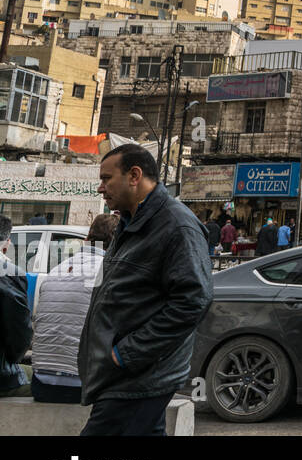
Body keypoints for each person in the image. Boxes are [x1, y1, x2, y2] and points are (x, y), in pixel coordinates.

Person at [79, 144, 213, 436]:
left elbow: (194, 301)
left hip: (139, 379)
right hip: (122, 376)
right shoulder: (130, 222)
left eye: (106, 178)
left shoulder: (177, 225)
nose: (100, 188)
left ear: (134, 175)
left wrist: (127, 352)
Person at [30, 213, 119, 403]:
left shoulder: (56, 271)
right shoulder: (112, 274)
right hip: (82, 387)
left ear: (87, 239)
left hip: (41, 384)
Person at [0, 215, 33, 398]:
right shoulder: (11, 274)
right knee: (39, 380)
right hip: (3, 377)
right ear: (7, 243)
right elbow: (20, 333)